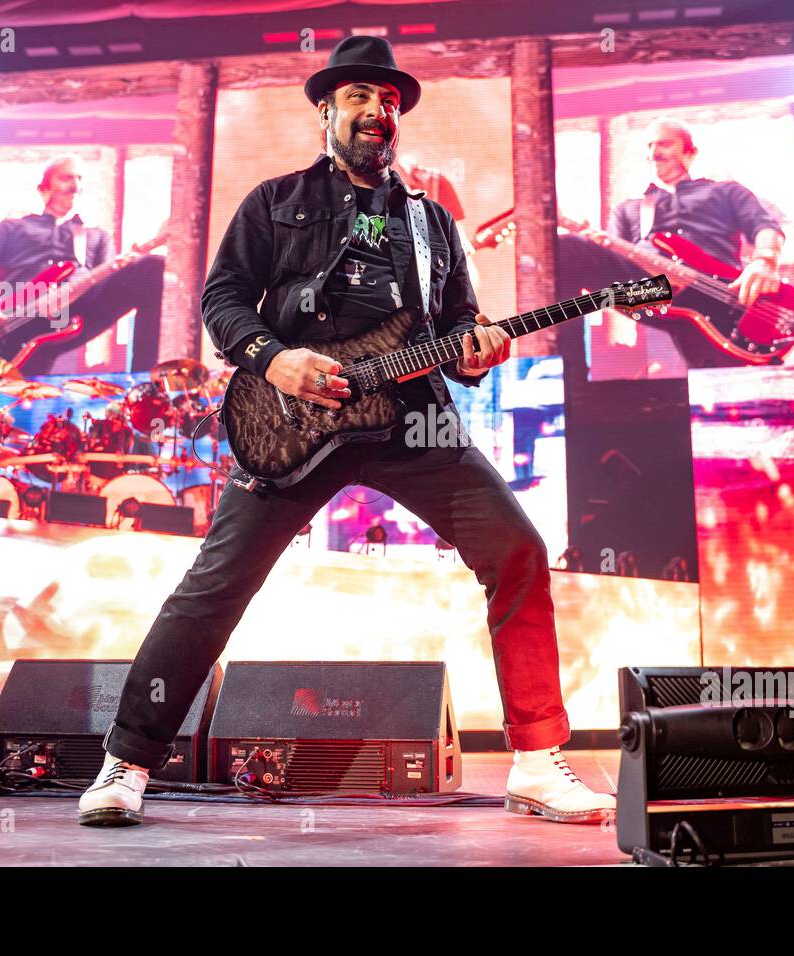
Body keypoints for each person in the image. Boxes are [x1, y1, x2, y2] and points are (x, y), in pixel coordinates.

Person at [78, 36, 615, 827]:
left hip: (412, 418)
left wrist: (477, 351)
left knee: (518, 553)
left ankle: (536, 761)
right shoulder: (273, 200)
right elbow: (222, 300)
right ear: (326, 107)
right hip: (293, 422)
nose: (378, 110)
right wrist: (273, 359)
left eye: (390, 99)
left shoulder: (431, 223)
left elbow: (457, 326)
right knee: (214, 588)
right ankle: (126, 763)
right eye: (360, 95)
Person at [557, 118, 785, 374]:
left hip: (721, 295)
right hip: (651, 293)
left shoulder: (727, 192)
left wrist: (766, 260)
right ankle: (571, 375)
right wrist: (591, 243)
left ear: (691, 152)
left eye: (664, 144)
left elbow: (765, 226)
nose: (654, 153)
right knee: (568, 249)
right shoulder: (628, 209)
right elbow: (613, 267)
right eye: (650, 146)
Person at [0, 156, 165, 376]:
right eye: (66, 177)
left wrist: (130, 264)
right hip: (12, 319)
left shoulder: (97, 236)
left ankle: (146, 383)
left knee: (152, 268)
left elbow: (106, 288)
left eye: (79, 179)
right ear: (43, 187)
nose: (76, 185)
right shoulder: (11, 228)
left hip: (76, 313)